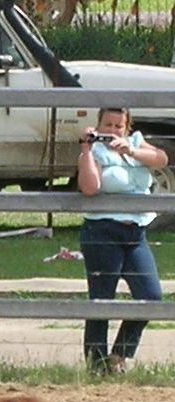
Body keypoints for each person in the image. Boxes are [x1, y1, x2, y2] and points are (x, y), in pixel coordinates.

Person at [76, 106, 168, 375]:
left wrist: (130, 150)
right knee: (102, 299)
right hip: (102, 230)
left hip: (136, 231)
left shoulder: (135, 143)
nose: (113, 130)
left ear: (127, 128)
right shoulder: (95, 150)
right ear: (98, 124)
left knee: (151, 296)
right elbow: (90, 188)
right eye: (107, 124)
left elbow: (161, 159)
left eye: (118, 126)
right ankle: (96, 363)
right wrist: (86, 150)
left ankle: (120, 353)